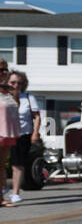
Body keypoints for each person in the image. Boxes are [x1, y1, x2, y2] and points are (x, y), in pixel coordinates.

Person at [8, 71, 40, 203]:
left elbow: (37, 116)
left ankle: (15, 192)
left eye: (19, 83)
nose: (16, 85)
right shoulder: (2, 96)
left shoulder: (27, 97)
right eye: (13, 82)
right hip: (4, 134)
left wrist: (35, 133)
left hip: (22, 135)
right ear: (7, 82)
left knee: (17, 164)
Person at [0, 74, 18, 206]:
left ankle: (0, 198)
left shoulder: (9, 94)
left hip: (8, 133)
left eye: (5, 69)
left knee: (1, 166)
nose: (3, 72)